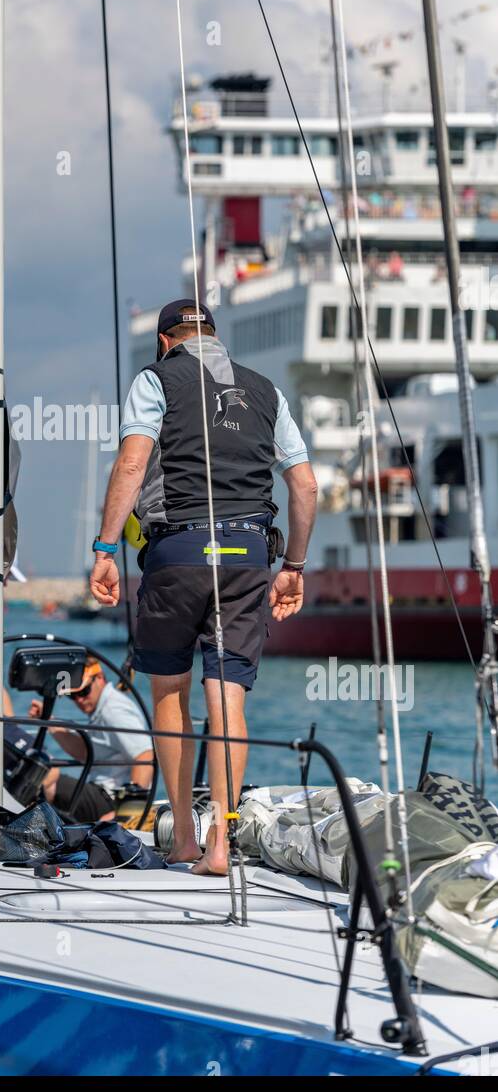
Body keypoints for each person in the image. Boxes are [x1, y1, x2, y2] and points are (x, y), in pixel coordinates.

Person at [89, 300, 317, 876]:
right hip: (248, 553)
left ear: (165, 342)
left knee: (171, 691)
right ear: (214, 338)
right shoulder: (265, 389)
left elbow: (132, 464)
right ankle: (223, 843)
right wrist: (293, 564)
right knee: (227, 698)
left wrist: (106, 547)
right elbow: (306, 485)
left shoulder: (156, 378)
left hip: (178, 552)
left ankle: (185, 839)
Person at [3, 660, 153, 823]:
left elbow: (145, 756)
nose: (79, 700)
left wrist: (126, 813)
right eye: (73, 695)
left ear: (100, 678)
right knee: (38, 778)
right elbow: (83, 752)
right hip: (101, 793)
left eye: (84, 691)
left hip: (111, 800)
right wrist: (49, 721)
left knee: (45, 778)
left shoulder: (113, 710)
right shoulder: (103, 707)